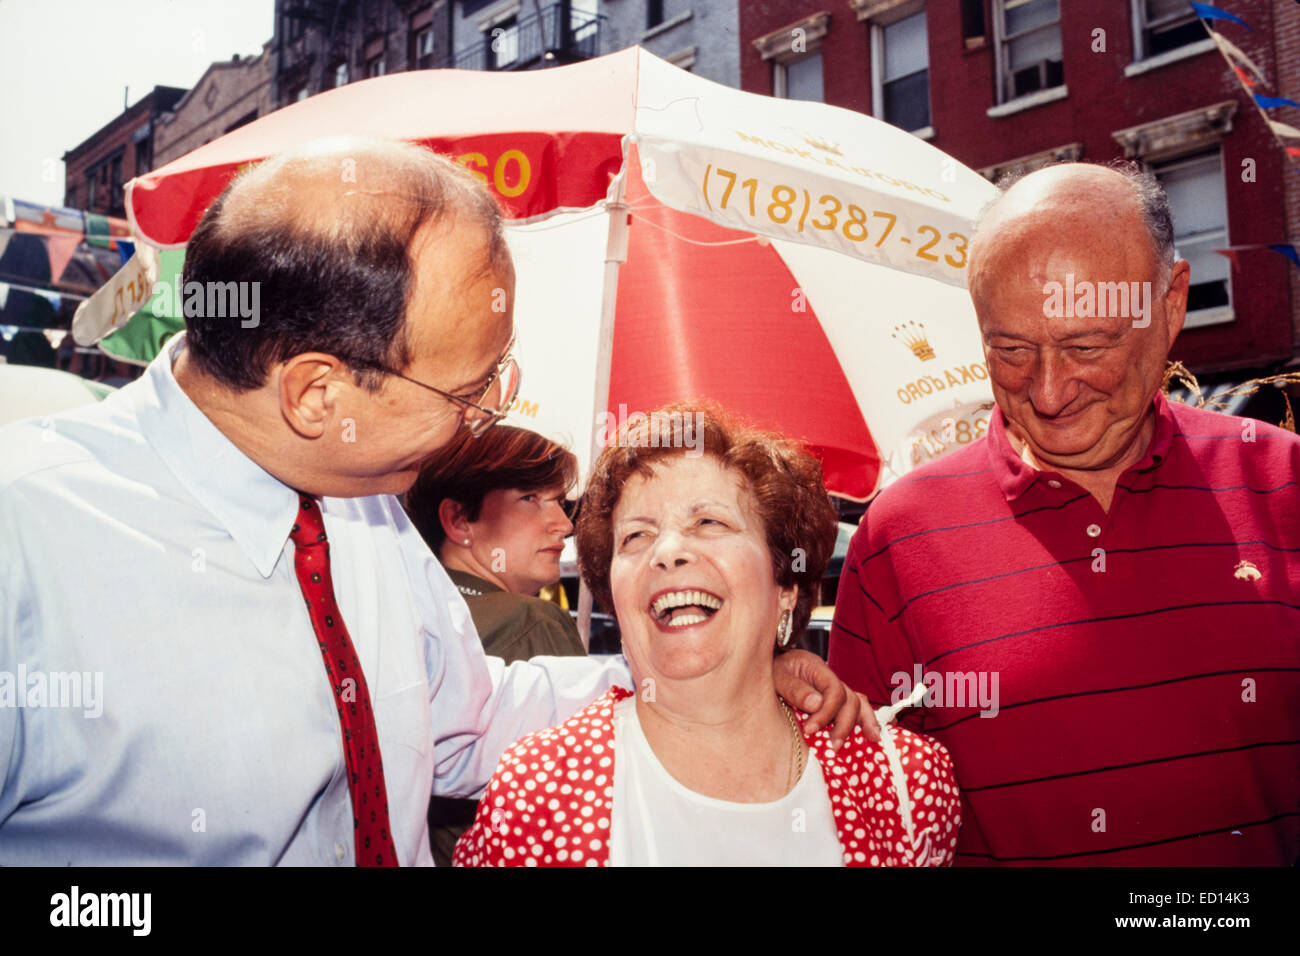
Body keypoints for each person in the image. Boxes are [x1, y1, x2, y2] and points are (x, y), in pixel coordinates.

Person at [0, 137, 862, 865]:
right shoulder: (25, 543)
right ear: (317, 396)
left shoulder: (359, 495)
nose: (482, 418)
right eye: (470, 391)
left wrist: (708, 679)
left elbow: (467, 722)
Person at [828, 161, 1300, 866]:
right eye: (1011, 350)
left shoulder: (1286, 483)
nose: (1048, 393)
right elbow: (850, 800)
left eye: (1089, 346)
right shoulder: (897, 536)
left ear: (1171, 306)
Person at [455, 404, 959, 866]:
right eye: (636, 535)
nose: (668, 551)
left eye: (709, 521)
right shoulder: (537, 797)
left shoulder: (903, 784)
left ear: (785, 582)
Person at [405, 425, 586, 864]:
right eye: (530, 498)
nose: (563, 524)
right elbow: (583, 798)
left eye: (560, 503)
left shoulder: (402, 618)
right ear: (459, 520)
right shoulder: (533, 621)